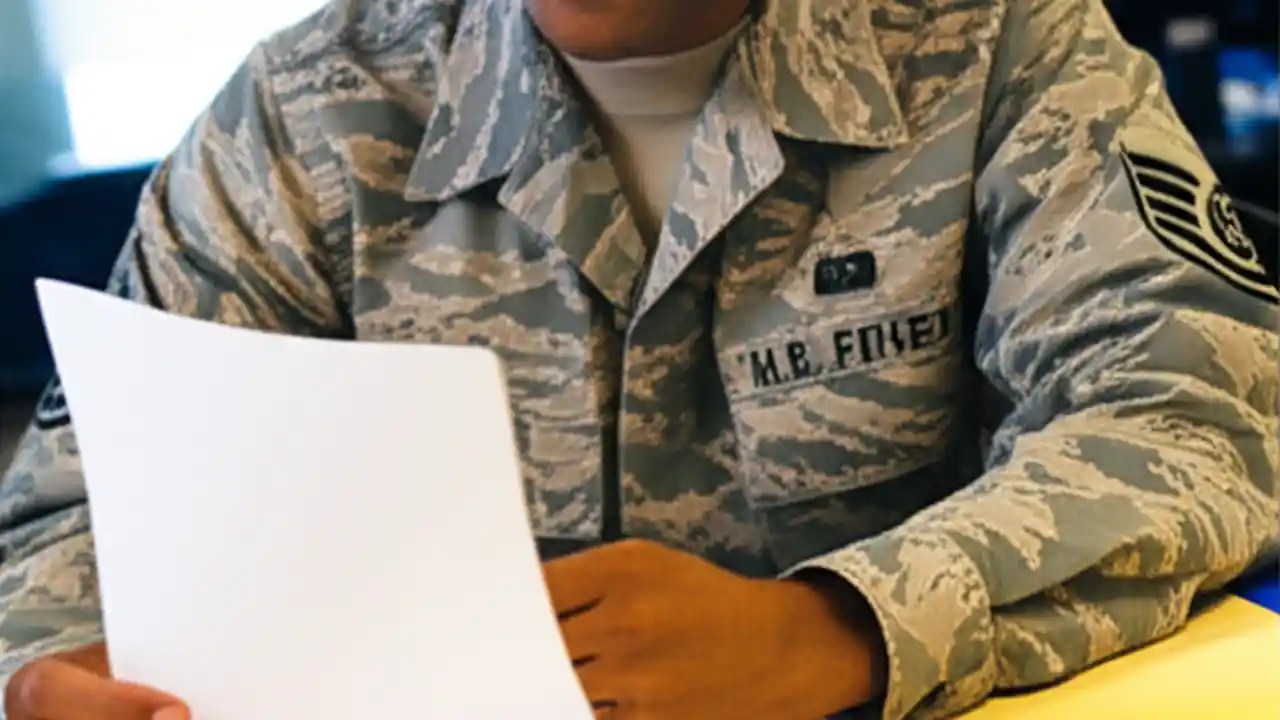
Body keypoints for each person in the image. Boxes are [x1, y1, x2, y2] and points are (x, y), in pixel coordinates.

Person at [1, 0, 1277, 717]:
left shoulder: (1000, 45)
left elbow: (1197, 419)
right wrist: (44, 681)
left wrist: (832, 628)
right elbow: (79, 512)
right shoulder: (307, 112)